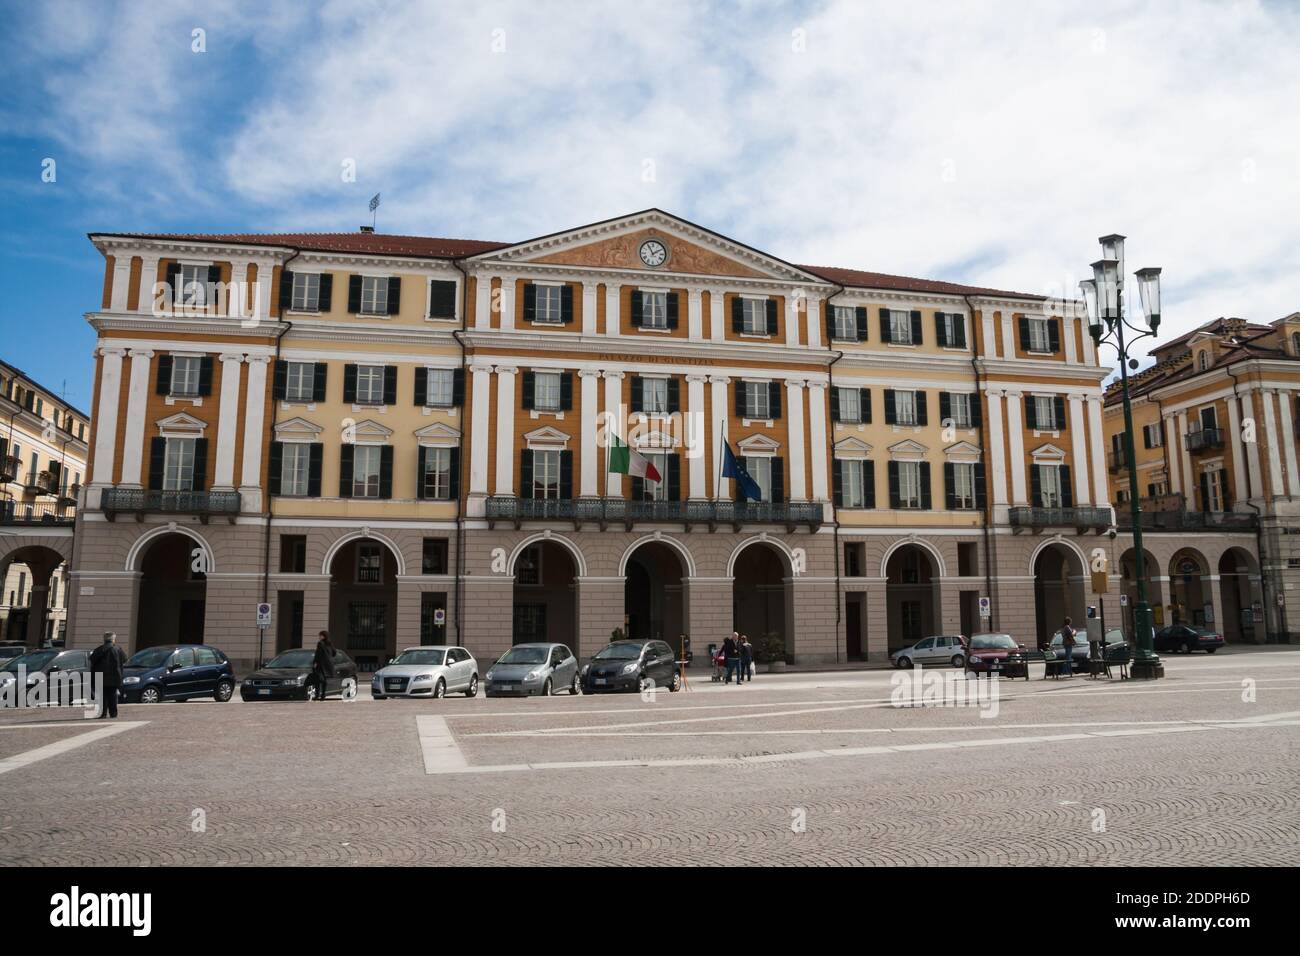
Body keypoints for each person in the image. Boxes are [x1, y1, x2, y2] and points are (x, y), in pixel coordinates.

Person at [89, 631, 127, 719]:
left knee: (102, 696)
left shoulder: (99, 649)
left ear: (104, 639)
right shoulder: (118, 649)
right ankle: (113, 713)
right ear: (113, 639)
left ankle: (103, 713)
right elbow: (125, 659)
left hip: (100, 677)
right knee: (113, 695)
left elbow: (92, 660)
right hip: (114, 677)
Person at [311, 631, 335, 701]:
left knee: (317, 680)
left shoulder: (320, 643)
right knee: (324, 681)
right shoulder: (330, 643)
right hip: (328, 664)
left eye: (320, 635)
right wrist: (329, 657)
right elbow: (334, 653)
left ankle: (317, 695)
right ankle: (323, 696)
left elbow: (318, 654)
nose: (319, 637)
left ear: (323, 636)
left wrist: (315, 662)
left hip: (321, 664)